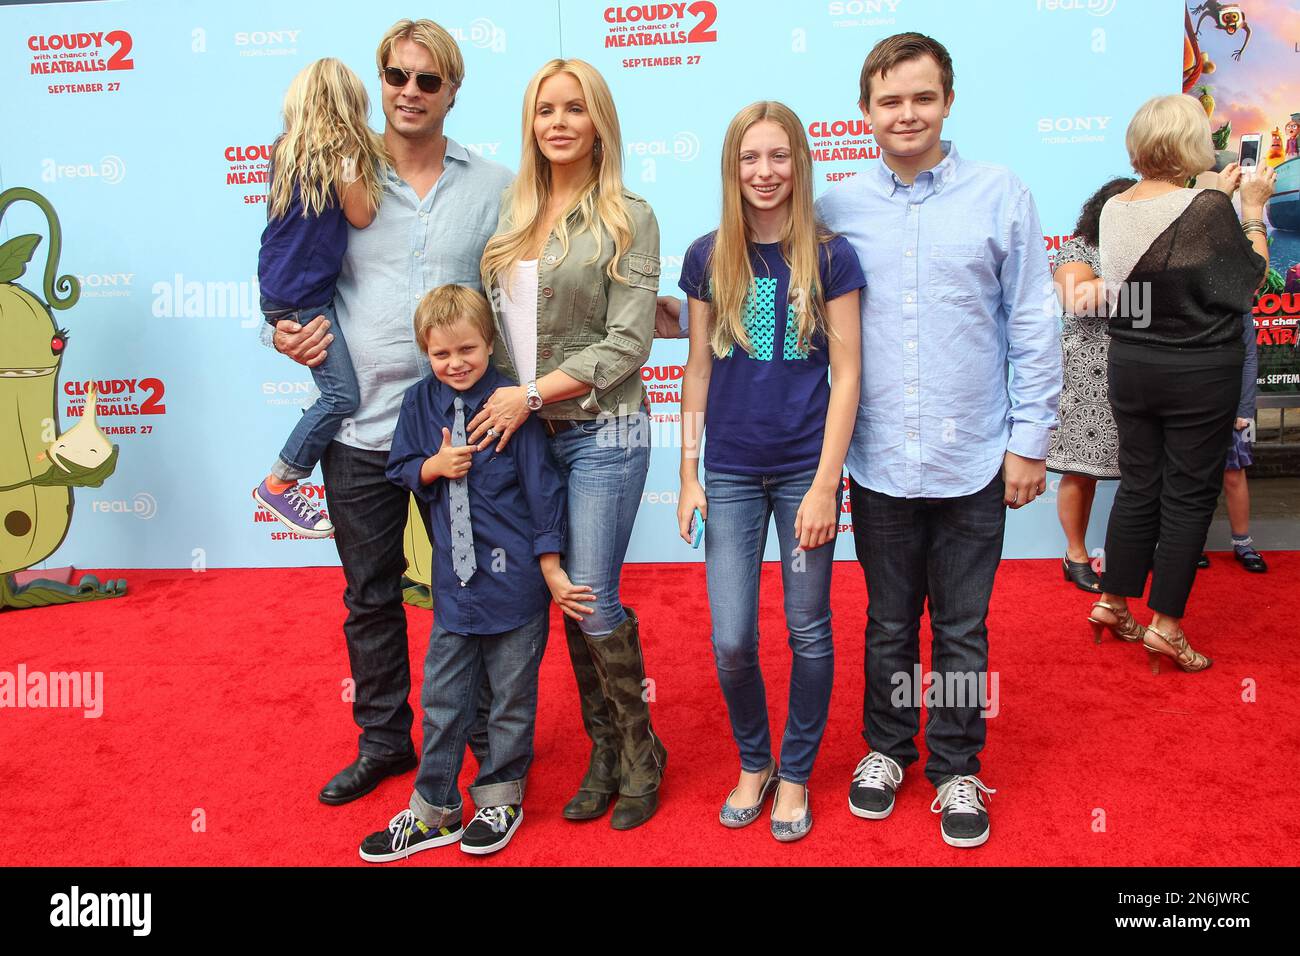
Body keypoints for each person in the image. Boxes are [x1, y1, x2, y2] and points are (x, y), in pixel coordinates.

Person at [816, 32, 1060, 848]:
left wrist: (1030, 440)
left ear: (948, 101)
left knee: (961, 626)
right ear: (865, 113)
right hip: (880, 460)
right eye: (890, 101)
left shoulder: (1001, 194)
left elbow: (1031, 317)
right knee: (888, 622)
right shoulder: (837, 209)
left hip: (973, 462)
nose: (906, 113)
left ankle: (957, 764)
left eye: (922, 97)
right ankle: (887, 750)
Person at [269, 18, 513, 806]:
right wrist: (278, 327)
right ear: (381, 82)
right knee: (369, 595)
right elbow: (286, 262)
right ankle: (383, 742)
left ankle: (481, 737)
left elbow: (528, 291)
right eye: (396, 76)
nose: (409, 92)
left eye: (427, 80)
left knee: (467, 592)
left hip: (459, 434)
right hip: (360, 430)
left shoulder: (493, 185)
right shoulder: (333, 168)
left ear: (452, 89)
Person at [469, 59, 666, 830]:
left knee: (591, 595)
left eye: (574, 109)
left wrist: (530, 394)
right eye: (545, 109)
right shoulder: (510, 219)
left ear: (598, 123)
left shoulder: (628, 216)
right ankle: (606, 751)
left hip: (602, 430)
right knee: (566, 599)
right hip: (525, 440)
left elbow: (628, 343)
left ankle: (639, 751)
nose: (557, 122)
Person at [675, 102, 862, 842]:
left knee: (809, 629)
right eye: (750, 158)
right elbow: (694, 370)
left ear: (800, 163)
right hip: (727, 471)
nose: (764, 172)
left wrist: (825, 484)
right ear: (732, 167)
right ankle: (754, 760)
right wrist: (687, 472)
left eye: (778, 156)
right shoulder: (706, 256)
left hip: (802, 473)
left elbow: (847, 376)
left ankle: (794, 774)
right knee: (731, 639)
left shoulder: (832, 255)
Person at [359, 285, 591, 860]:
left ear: (489, 343)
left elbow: (543, 491)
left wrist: (552, 570)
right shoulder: (417, 405)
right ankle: (433, 809)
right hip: (454, 588)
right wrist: (434, 467)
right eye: (442, 354)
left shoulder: (511, 406)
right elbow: (400, 469)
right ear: (425, 353)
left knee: (511, 696)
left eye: (467, 349)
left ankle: (500, 796)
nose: (456, 363)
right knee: (443, 698)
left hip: (514, 584)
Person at [1088, 94, 1273, 672]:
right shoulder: (1207, 210)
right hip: (1198, 369)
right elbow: (1250, 280)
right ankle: (1166, 626)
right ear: (1191, 145)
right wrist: (1251, 211)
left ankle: (1114, 601)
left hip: (1132, 364)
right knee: (1190, 494)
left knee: (1140, 484)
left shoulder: (1114, 207)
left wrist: (1216, 195)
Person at [252, 58, 388, 537]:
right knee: (341, 395)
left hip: (287, 292)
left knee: (337, 392)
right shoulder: (339, 155)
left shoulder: (286, 150)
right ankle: (279, 481)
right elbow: (363, 214)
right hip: (303, 300)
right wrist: (357, 155)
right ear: (349, 105)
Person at [1047, 178, 1135, 593]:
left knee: (1144, 472)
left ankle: (1133, 551)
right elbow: (1077, 301)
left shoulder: (1149, 248)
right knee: (1083, 471)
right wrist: (1138, 281)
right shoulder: (1080, 248)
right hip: (1089, 378)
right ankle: (1076, 553)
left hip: (1143, 371)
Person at [1202, 313, 1267, 572]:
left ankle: (1243, 543)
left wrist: (1245, 408)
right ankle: (1191, 545)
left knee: (1234, 473)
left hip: (1231, 402)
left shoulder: (1238, 302)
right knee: (1192, 477)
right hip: (1191, 402)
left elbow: (1250, 357)